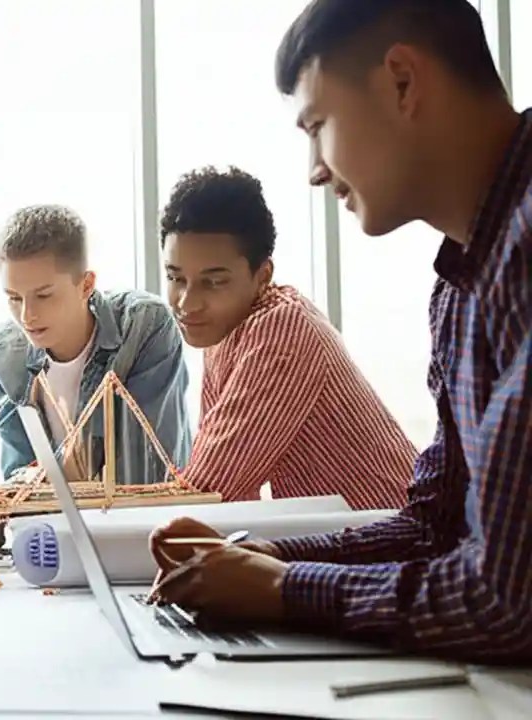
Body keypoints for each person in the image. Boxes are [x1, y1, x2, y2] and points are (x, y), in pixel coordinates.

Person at [150, 0, 532, 663]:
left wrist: (286, 589)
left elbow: (506, 602)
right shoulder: (459, 286)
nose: (314, 170)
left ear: (402, 83)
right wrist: (269, 558)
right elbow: (435, 524)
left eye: (317, 125)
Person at [0, 204, 191, 556]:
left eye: (44, 295)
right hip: (54, 544)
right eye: (13, 298)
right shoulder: (2, 354)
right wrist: (0, 519)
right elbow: (24, 474)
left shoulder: (144, 327)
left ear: (86, 285)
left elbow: (140, 483)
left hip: (147, 541)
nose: (27, 316)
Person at [160, 165, 414, 510]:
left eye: (213, 281)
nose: (187, 303)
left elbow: (210, 490)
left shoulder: (280, 331)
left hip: (397, 546)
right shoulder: (225, 328)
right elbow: (224, 492)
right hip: (341, 543)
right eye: (176, 278)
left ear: (263, 275)